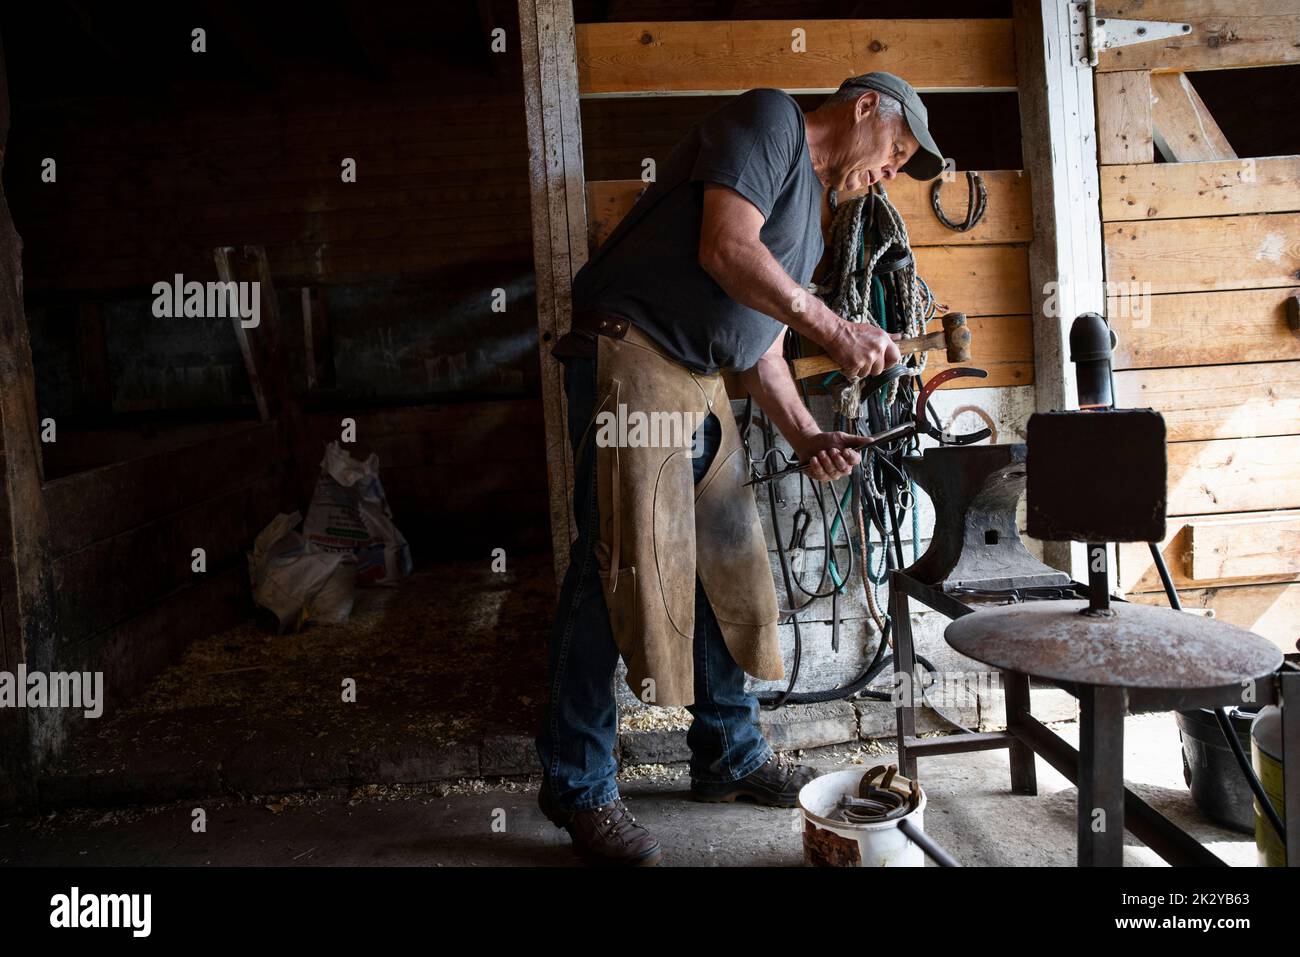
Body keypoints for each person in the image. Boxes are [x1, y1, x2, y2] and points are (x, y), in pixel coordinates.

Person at [536, 72, 944, 866]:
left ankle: (726, 750)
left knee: (725, 557)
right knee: (616, 563)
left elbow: (759, 344)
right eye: (896, 151)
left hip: (696, 375)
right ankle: (577, 783)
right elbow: (725, 247)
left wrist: (804, 433)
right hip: (633, 351)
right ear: (863, 107)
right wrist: (832, 322)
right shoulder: (771, 122)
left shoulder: (816, 228)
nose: (891, 171)